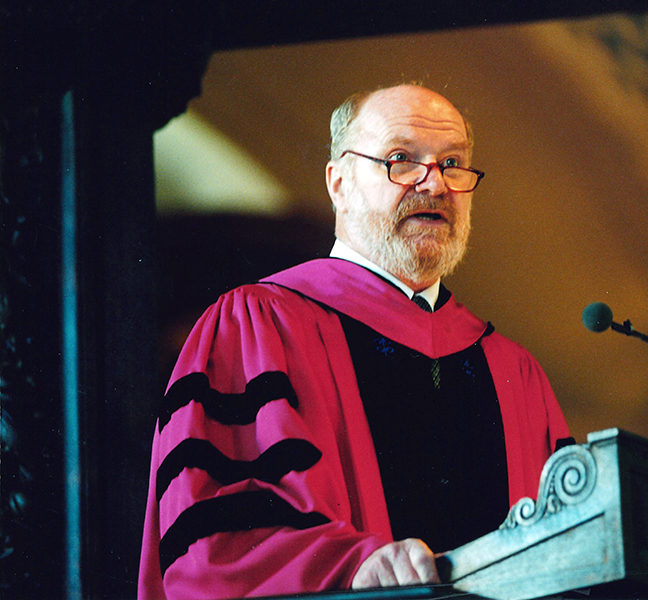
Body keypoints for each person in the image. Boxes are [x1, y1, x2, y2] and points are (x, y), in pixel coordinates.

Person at [138, 84, 571, 600]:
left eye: (452, 163)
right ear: (339, 182)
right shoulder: (257, 327)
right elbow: (222, 542)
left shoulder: (513, 373)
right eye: (400, 159)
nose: (433, 184)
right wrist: (353, 570)